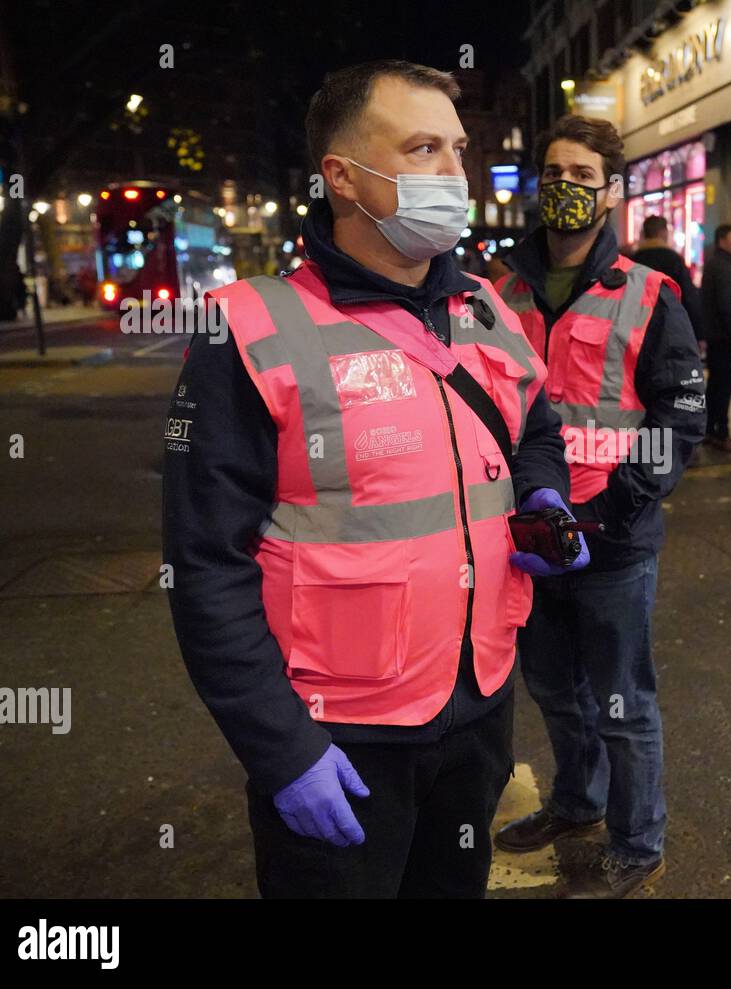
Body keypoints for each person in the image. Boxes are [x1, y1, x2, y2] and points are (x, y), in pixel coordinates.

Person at [164, 60, 579, 899]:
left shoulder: (484, 307)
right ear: (343, 177)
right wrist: (283, 751)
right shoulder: (249, 328)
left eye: (457, 150)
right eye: (423, 149)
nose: (453, 174)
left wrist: (541, 492)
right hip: (339, 740)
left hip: (478, 707)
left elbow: (535, 428)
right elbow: (206, 564)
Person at [493, 114, 706, 898]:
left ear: (612, 191)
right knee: (554, 690)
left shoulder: (650, 294)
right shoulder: (499, 290)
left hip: (612, 535)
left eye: (583, 176)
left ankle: (637, 841)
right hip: (531, 532)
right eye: (554, 173)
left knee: (622, 703)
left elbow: (682, 416)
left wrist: (619, 503)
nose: (566, 188)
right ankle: (577, 801)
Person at [700, 223, 731, 453]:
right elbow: (727, 306)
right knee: (724, 386)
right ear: (722, 241)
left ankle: (709, 429)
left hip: (716, 337)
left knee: (716, 386)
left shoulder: (715, 264)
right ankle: (721, 432)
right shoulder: (724, 268)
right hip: (724, 338)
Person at [632, 213, 704, 338]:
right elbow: (688, 296)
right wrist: (698, 332)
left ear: (644, 233)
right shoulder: (674, 260)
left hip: (637, 325)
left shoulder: (633, 260)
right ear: (663, 233)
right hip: (669, 325)